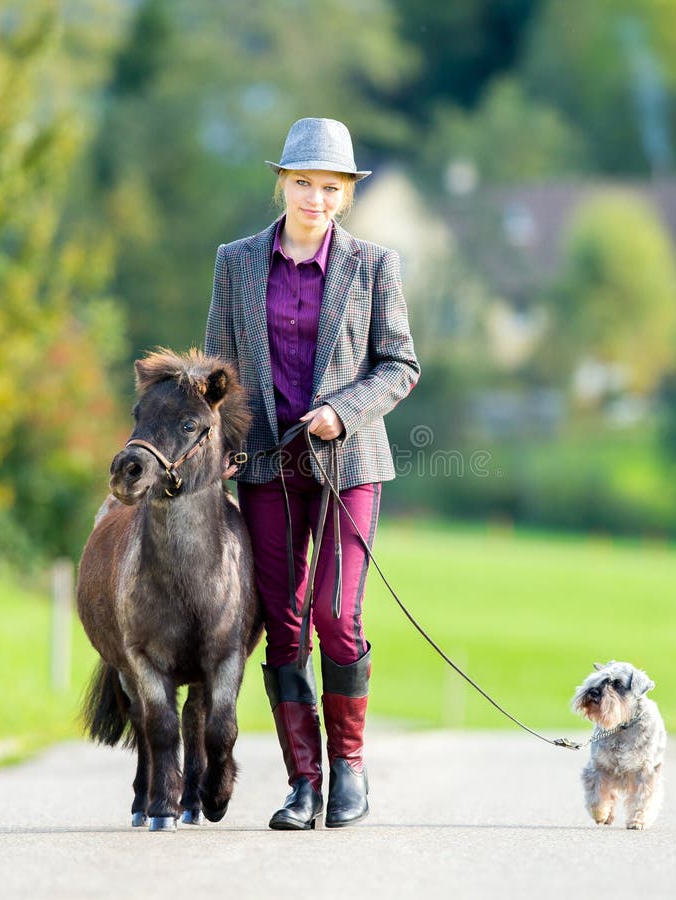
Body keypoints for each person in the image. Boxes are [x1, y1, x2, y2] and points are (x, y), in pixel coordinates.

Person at [205, 117, 419, 830]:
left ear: (346, 193)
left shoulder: (374, 266)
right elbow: (217, 374)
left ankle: (350, 768)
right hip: (266, 466)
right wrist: (225, 442)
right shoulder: (235, 262)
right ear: (282, 182)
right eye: (303, 183)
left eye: (330, 187)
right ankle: (304, 783)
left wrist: (343, 410)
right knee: (285, 622)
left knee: (334, 613)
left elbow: (399, 366)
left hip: (348, 464)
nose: (315, 198)